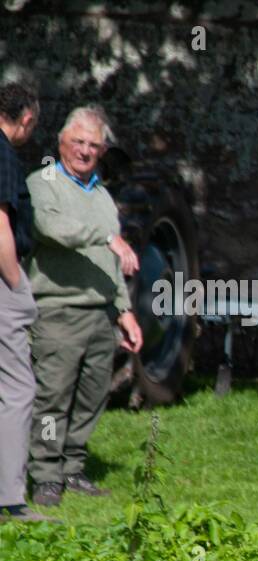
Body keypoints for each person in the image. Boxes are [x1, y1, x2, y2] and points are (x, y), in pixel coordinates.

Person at [25, 105, 142, 509]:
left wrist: (124, 312)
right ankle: (44, 474)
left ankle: (73, 467)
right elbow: (50, 229)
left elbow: (111, 262)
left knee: (92, 397)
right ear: (61, 143)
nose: (86, 151)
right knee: (52, 399)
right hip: (58, 310)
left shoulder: (103, 196)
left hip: (99, 314)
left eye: (94, 145)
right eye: (78, 142)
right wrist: (107, 236)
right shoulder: (44, 183)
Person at [0, 82, 49, 522]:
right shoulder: (2, 155)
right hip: (2, 284)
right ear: (26, 118)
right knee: (18, 389)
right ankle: (10, 501)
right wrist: (17, 286)